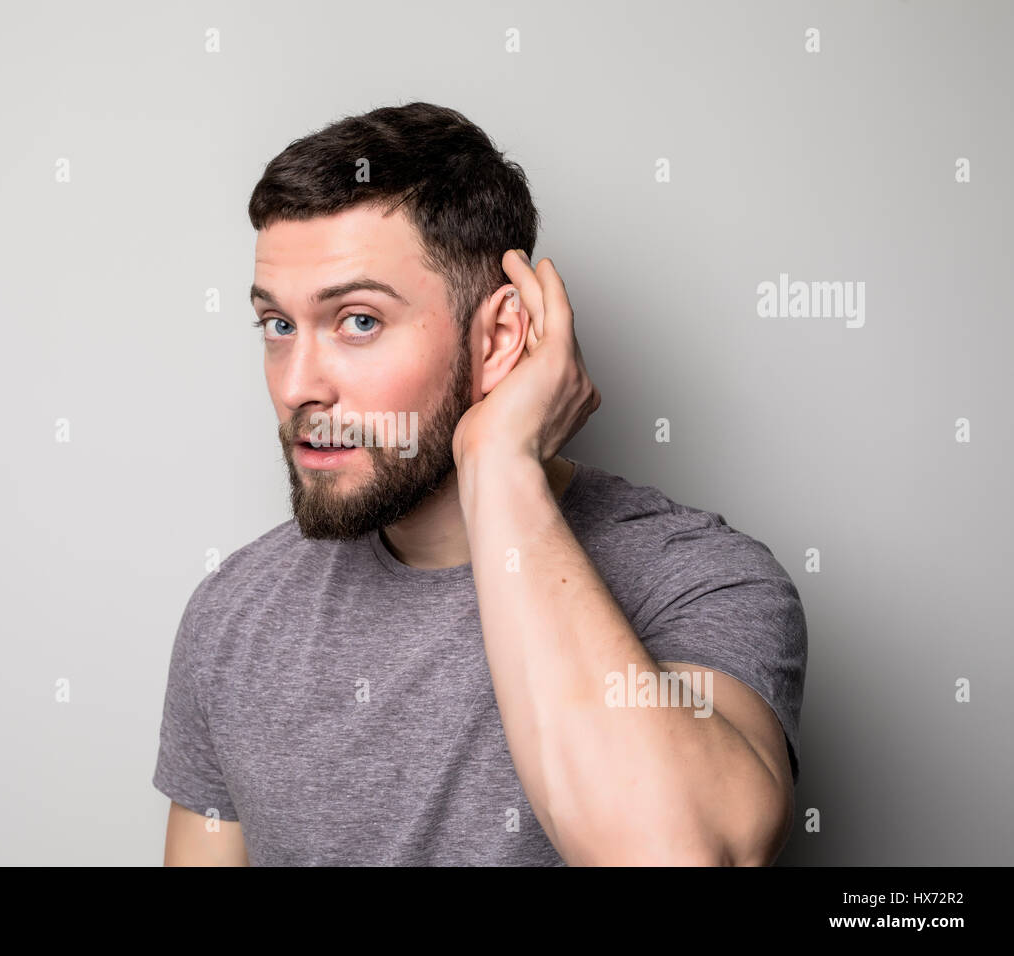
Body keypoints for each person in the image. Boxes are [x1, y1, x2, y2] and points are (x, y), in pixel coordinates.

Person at [152, 102, 807, 866]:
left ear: (499, 337)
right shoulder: (233, 616)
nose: (298, 386)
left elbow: (683, 856)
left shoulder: (699, 582)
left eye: (358, 321)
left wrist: (499, 461)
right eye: (278, 326)